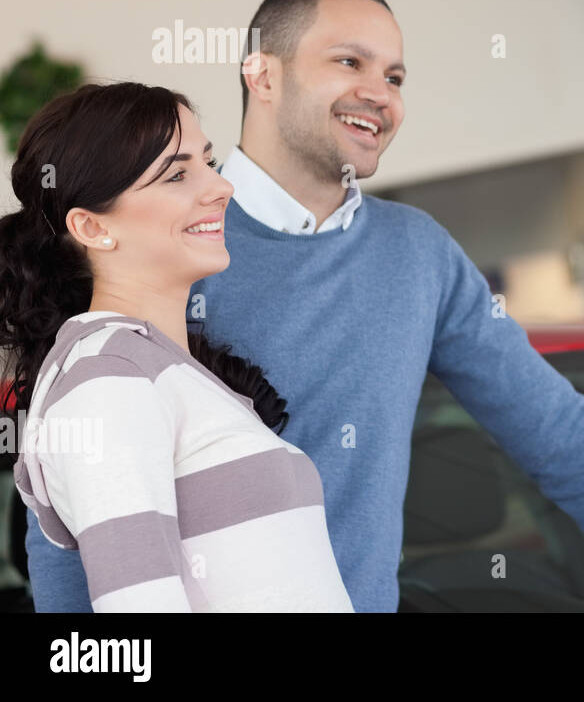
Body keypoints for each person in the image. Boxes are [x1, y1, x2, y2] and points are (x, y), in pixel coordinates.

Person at [22, 0, 584, 613]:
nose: (380, 93)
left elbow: (559, 435)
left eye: (396, 74)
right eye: (348, 62)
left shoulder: (415, 253)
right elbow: (71, 527)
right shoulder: (156, 248)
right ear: (261, 75)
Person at [1, 83, 353, 611]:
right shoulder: (107, 377)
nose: (221, 187)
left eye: (209, 163)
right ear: (92, 226)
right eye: (177, 173)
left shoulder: (163, 370)